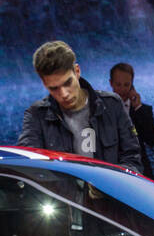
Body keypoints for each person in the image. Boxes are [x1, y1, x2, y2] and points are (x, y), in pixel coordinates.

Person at [18, 41, 142, 173]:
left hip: (111, 191)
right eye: (54, 88)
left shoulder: (112, 105)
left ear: (77, 71)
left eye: (67, 83)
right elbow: (29, 167)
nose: (64, 94)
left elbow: (133, 159)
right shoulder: (36, 115)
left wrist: (110, 186)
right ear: (44, 84)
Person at [109, 63, 154, 179]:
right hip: (111, 171)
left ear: (132, 85)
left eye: (126, 85)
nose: (122, 90)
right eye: (118, 85)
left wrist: (138, 108)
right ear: (111, 83)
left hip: (139, 171)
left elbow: (153, 140)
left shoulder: (143, 110)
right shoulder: (101, 109)